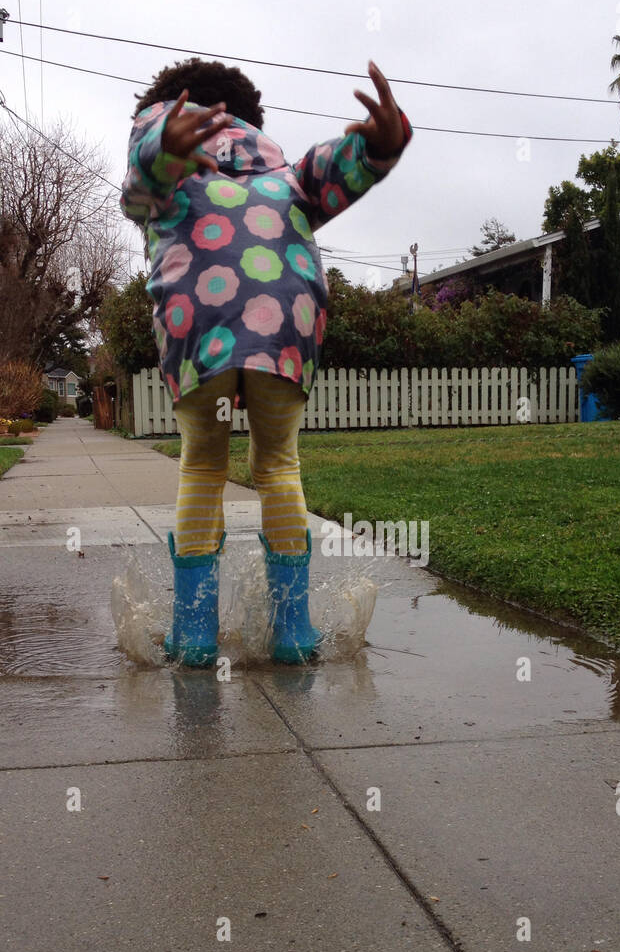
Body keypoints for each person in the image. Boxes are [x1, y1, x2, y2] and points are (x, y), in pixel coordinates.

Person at [121, 57, 411, 665]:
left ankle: (195, 636)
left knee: (202, 464)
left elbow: (146, 175)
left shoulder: (168, 166)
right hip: (286, 318)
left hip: (198, 322)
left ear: (169, 109)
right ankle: (292, 632)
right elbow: (332, 170)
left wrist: (162, 148)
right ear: (253, 122)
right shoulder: (285, 174)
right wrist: (381, 146)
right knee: (278, 463)